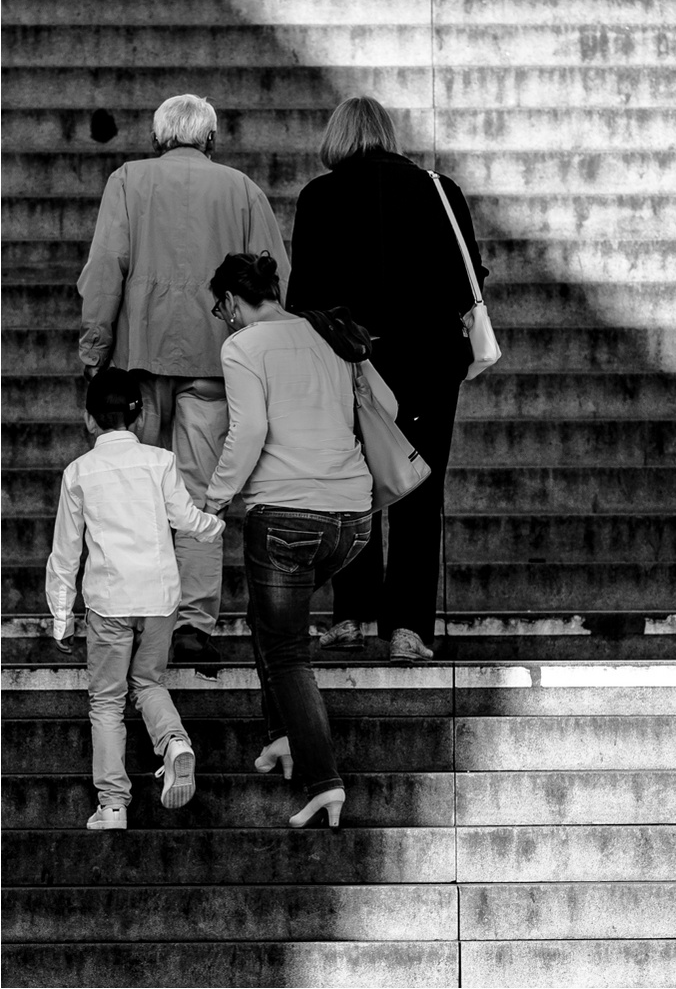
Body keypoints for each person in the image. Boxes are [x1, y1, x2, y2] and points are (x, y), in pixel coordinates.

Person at [77, 93, 291, 671]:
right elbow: (275, 279)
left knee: (135, 491)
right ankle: (195, 622)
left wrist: (95, 347)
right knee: (198, 496)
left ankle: (139, 615)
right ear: (211, 141)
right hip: (216, 365)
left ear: (158, 139)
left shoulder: (127, 182)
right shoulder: (242, 189)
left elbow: (105, 270)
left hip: (138, 363)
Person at [286, 96, 488, 663]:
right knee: (420, 491)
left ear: (339, 136)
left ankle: (351, 616)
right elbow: (465, 280)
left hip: (349, 367)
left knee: (353, 487)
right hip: (427, 366)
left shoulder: (319, 197)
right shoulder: (439, 190)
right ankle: (409, 628)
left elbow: (302, 299)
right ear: (387, 134)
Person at [203, 252, 373, 828]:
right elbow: (390, 407)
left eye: (219, 308)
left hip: (286, 520)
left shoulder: (242, 346)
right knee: (270, 621)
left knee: (286, 651)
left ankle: (323, 780)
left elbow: (248, 430)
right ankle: (280, 734)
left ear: (230, 301)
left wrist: (214, 495)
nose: (222, 319)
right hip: (353, 518)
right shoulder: (327, 331)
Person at [45, 370, 225, 830]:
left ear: (88, 419)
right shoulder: (161, 461)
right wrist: (214, 525)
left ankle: (113, 806)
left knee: (107, 703)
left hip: (109, 601)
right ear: (141, 416)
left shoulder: (78, 473)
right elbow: (184, 518)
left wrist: (62, 618)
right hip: (160, 597)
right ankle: (175, 743)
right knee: (148, 683)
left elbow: (65, 552)